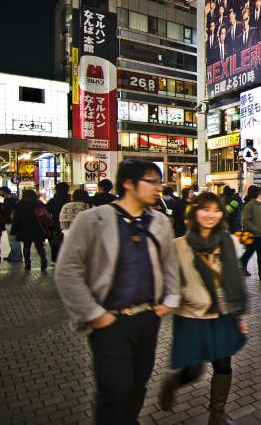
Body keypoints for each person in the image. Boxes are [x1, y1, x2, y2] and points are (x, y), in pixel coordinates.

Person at [54, 159, 179, 424]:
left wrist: (171, 299)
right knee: (114, 390)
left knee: (138, 384)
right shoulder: (93, 220)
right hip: (109, 320)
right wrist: (93, 313)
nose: (159, 187)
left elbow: (170, 264)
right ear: (129, 184)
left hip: (147, 318)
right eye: (152, 181)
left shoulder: (159, 222)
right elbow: (67, 270)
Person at [158, 192, 247, 424]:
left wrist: (238, 314)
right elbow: (166, 282)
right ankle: (172, 383)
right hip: (191, 316)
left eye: (217, 210)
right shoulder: (178, 247)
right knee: (193, 370)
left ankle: (217, 414)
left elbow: (234, 282)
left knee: (223, 365)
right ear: (193, 213)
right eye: (205, 209)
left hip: (223, 315)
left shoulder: (230, 243)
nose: (211, 215)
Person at [239, 186, 261, 281]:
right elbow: (246, 221)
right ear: (257, 194)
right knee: (256, 254)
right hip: (254, 235)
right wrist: (256, 229)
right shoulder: (250, 206)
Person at [11, 189, 52, 272]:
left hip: (24, 228)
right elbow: (44, 215)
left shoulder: (19, 204)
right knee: (39, 246)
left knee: (26, 246)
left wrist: (13, 231)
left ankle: (27, 264)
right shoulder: (39, 203)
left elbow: (16, 219)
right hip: (38, 228)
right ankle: (43, 261)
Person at [46, 182, 71, 262]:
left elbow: (47, 214)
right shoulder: (70, 201)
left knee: (56, 245)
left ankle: (57, 261)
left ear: (56, 190)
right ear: (67, 190)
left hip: (55, 226)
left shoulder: (52, 201)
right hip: (69, 227)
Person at [0, 187, 22, 262]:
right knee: (13, 240)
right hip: (14, 222)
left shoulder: (8, 199)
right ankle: (13, 255)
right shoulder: (14, 198)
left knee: (13, 240)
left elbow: (7, 211)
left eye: (0, 191)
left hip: (10, 222)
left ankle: (17, 256)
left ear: (3, 191)